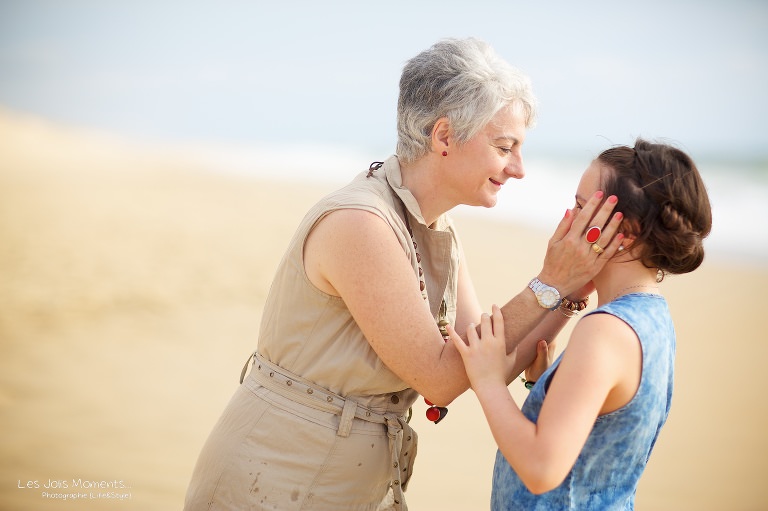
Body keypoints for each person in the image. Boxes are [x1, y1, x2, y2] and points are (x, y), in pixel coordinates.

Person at [183, 37, 623, 511]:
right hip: (273, 475)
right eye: (504, 147)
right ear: (444, 137)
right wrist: (551, 281)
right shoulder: (360, 225)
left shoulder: (437, 227)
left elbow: (488, 362)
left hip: (344, 483)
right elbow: (441, 380)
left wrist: (571, 292)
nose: (518, 168)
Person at [451, 138, 713, 510]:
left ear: (630, 231)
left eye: (579, 206)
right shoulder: (651, 317)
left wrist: (489, 383)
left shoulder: (605, 331)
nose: (569, 218)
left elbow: (543, 468)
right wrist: (543, 385)